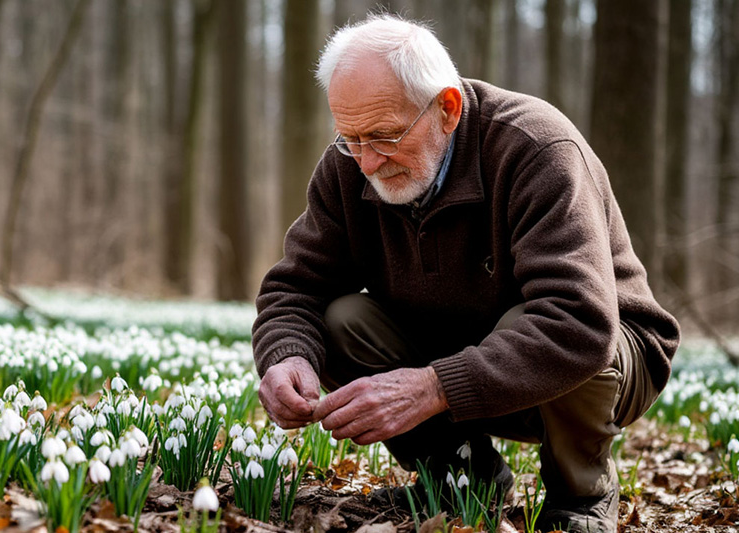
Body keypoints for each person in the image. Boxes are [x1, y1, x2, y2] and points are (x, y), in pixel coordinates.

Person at [252, 14, 680, 533]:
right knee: (340, 319)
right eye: (351, 138)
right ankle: (462, 477)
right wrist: (285, 354)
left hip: (598, 366)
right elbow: (295, 287)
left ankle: (582, 495)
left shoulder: (536, 150)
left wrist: (432, 388)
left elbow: (580, 323)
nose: (366, 161)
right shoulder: (349, 163)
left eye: (385, 136)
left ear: (447, 108)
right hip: (456, 358)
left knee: (538, 318)